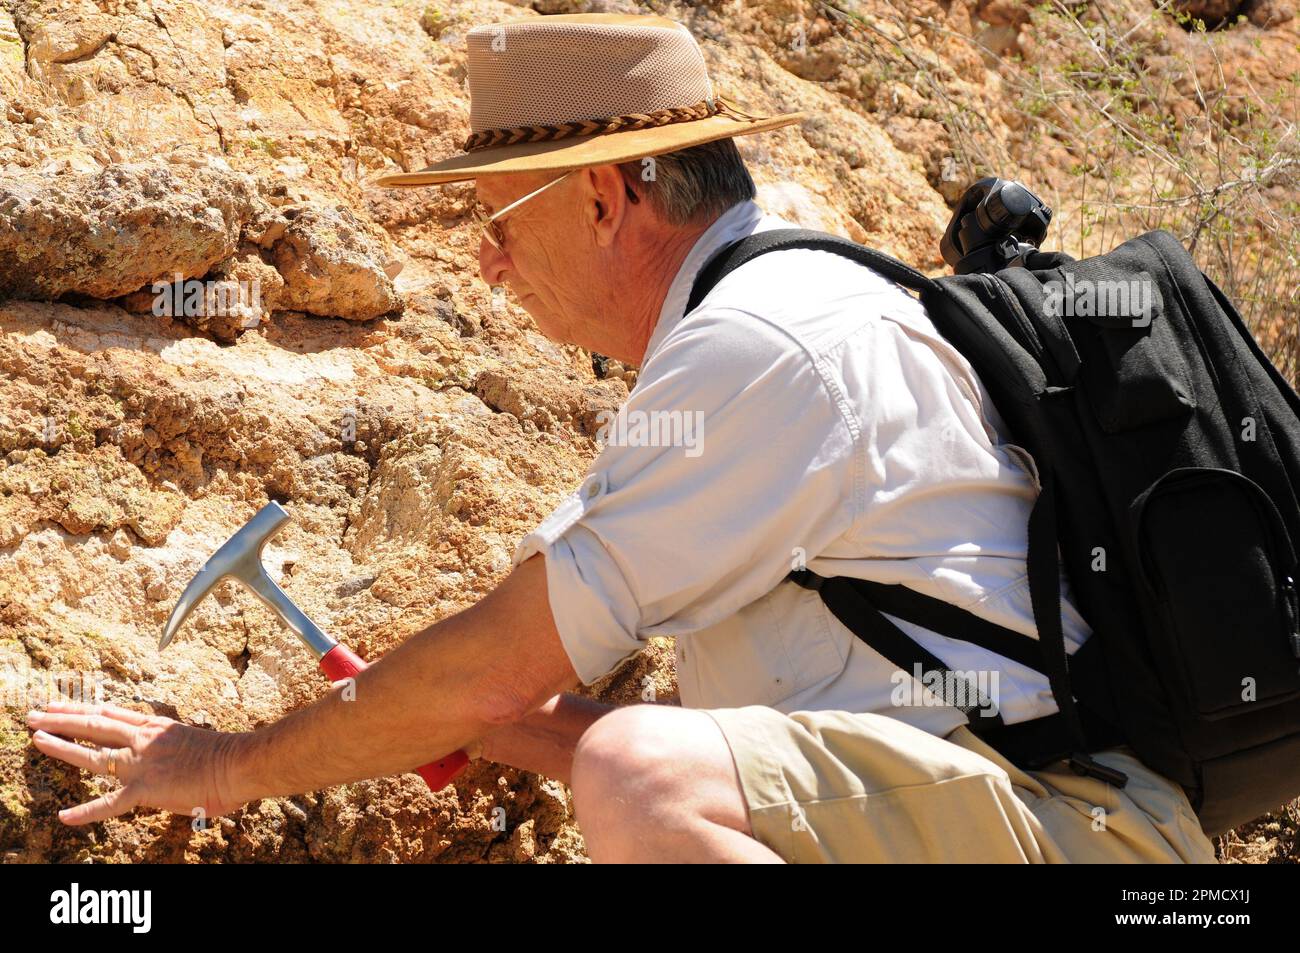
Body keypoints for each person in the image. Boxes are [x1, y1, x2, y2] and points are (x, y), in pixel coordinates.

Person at [27, 12, 1217, 864]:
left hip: (1073, 826)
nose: (482, 261)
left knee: (643, 776)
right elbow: (770, 744)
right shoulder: (792, 306)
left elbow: (520, 663)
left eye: (497, 219)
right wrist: (468, 715)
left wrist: (226, 766)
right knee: (642, 757)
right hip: (1010, 809)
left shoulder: (762, 346)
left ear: (605, 198)